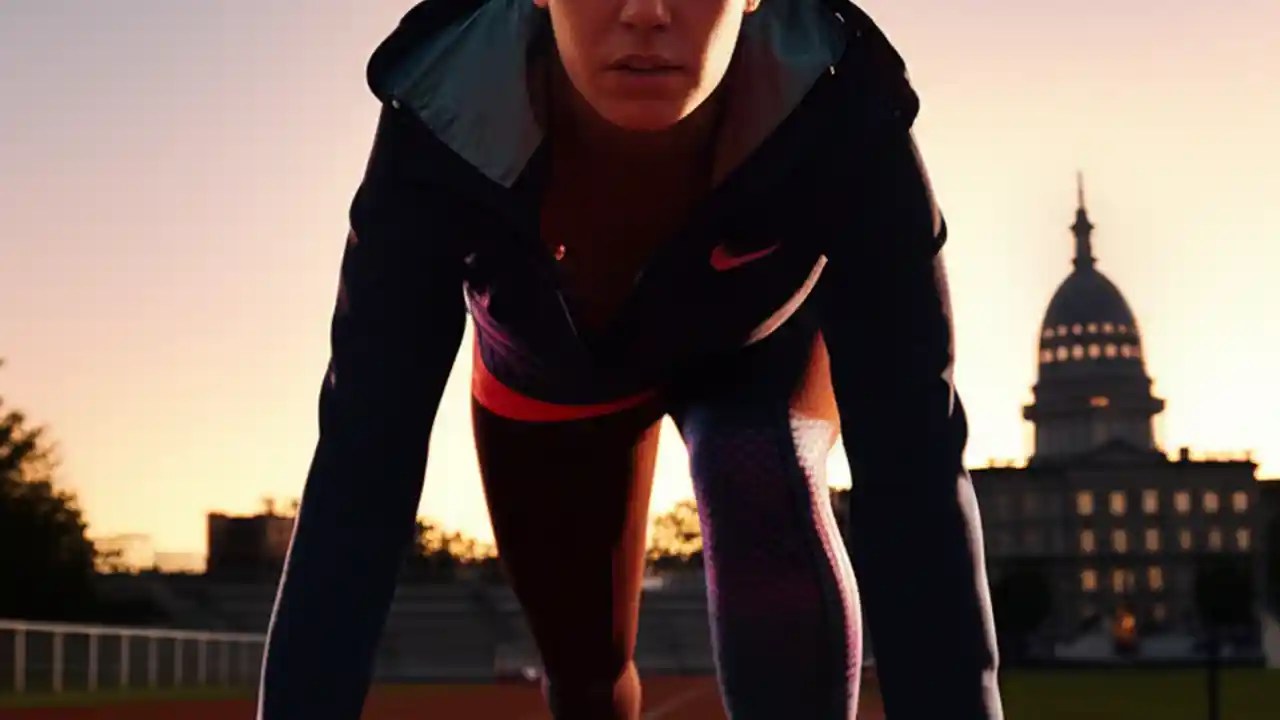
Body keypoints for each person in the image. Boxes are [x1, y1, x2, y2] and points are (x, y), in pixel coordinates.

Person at [256, 0, 1004, 718]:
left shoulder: (847, 110)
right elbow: (363, 469)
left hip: (758, 356)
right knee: (587, 680)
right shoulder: (439, 120)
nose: (646, 10)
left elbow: (914, 470)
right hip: (551, 382)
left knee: (756, 467)